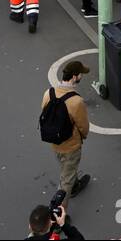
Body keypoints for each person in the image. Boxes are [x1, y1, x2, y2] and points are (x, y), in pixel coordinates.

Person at [42, 61, 92, 200]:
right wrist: (82, 137)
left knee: (67, 166)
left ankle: (74, 183)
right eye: (81, 74)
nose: (82, 76)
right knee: (66, 181)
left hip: (54, 141)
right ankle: (59, 214)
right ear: (75, 77)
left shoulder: (48, 93)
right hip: (70, 145)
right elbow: (83, 126)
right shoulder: (76, 101)